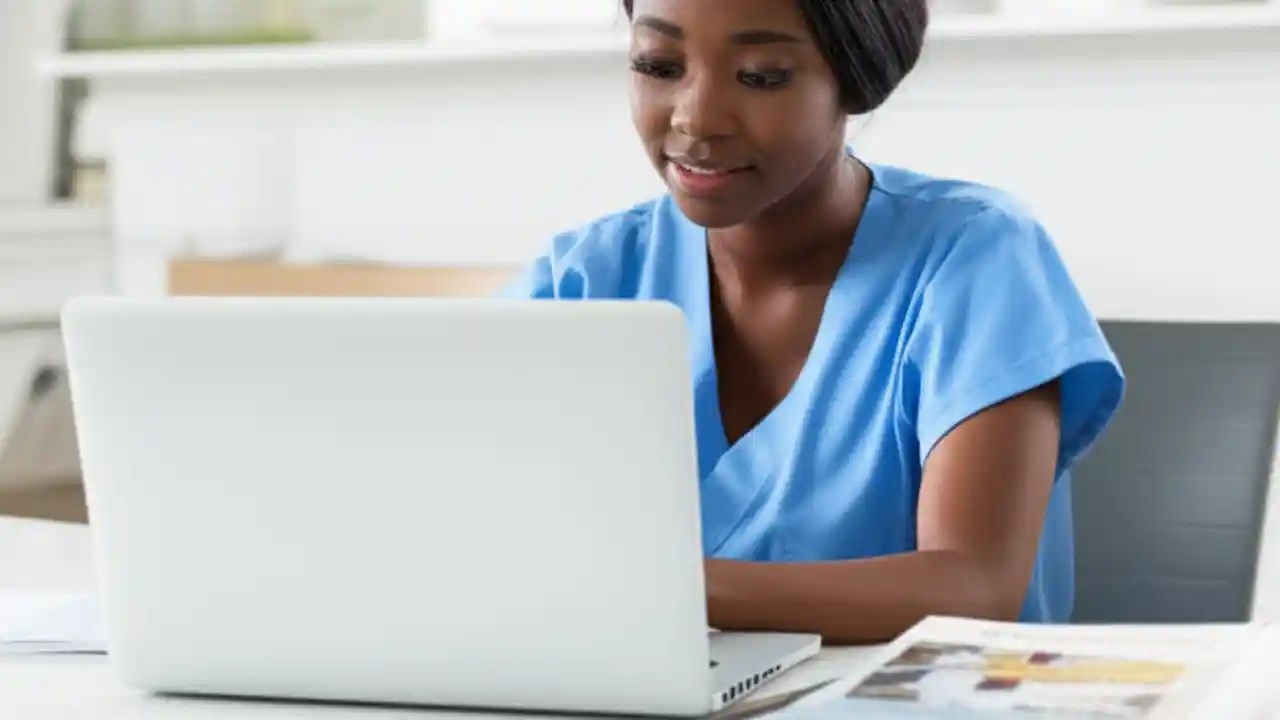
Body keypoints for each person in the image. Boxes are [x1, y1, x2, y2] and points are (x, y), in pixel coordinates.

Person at [503, 0, 1124, 644]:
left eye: (762, 76)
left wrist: (652, 587)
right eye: (659, 65)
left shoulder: (977, 256)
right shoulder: (582, 279)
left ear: (856, 77)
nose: (696, 117)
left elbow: (972, 586)